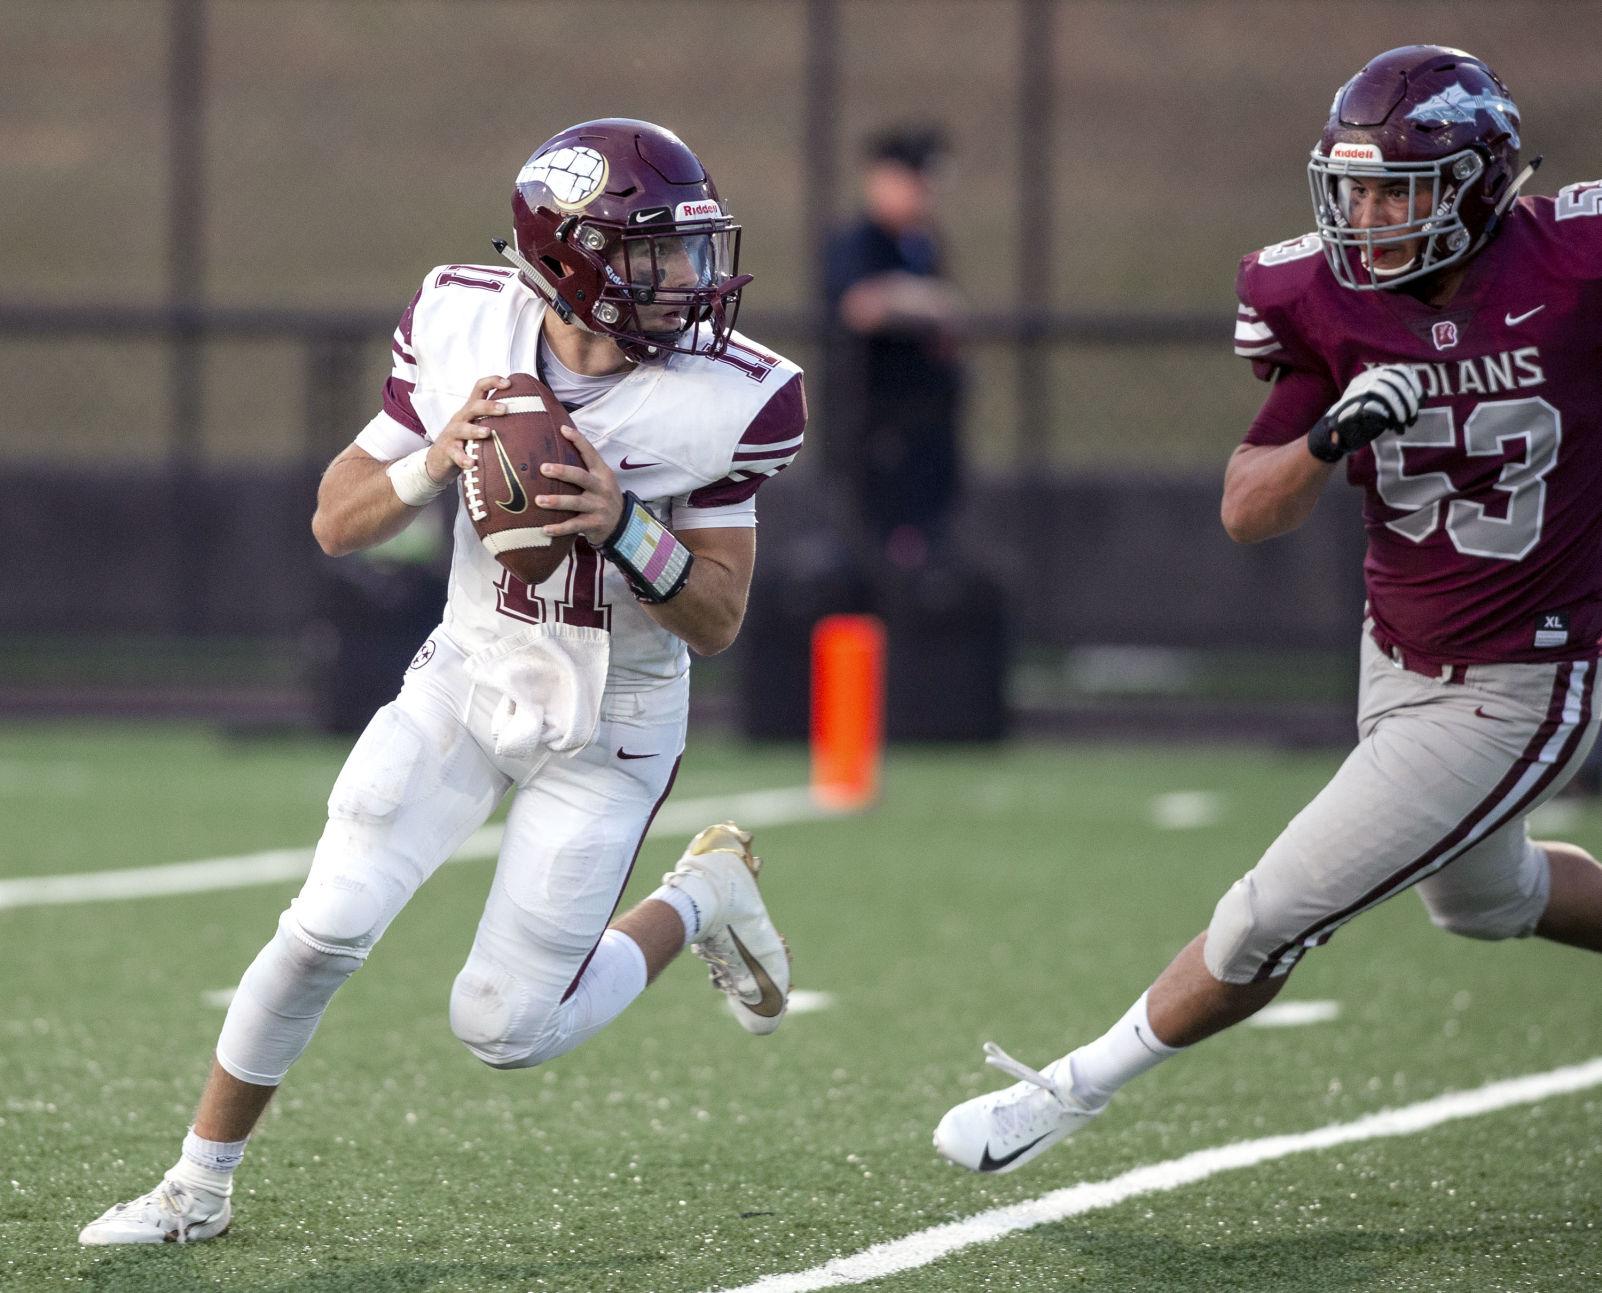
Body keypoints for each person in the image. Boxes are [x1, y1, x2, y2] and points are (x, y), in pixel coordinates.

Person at [80, 118, 805, 1243]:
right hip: (468, 674)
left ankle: (702, 896)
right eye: (655, 251)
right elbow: (336, 521)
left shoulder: (734, 397)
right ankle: (195, 1187)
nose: (687, 279)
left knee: (505, 1026)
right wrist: (436, 456)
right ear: (568, 259)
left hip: (610, 724)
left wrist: (625, 527)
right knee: (322, 927)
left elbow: (716, 620)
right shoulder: (466, 319)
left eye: (691, 248)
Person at [935, 45, 1602, 1174]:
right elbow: (1249, 509)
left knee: (1267, 913)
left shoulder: (1578, 264)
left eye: (1399, 192)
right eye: (1355, 191)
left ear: (1480, 185)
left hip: (1520, 679)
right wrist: (1331, 435)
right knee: (1487, 900)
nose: (1369, 219)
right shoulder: (1322, 298)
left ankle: (1066, 1091)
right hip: (1397, 651)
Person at [823, 125, 964, 568]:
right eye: (914, 182)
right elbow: (860, 307)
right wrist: (920, 300)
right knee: (872, 547)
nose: (924, 196)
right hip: (874, 423)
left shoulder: (923, 243)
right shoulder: (858, 242)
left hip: (926, 421)